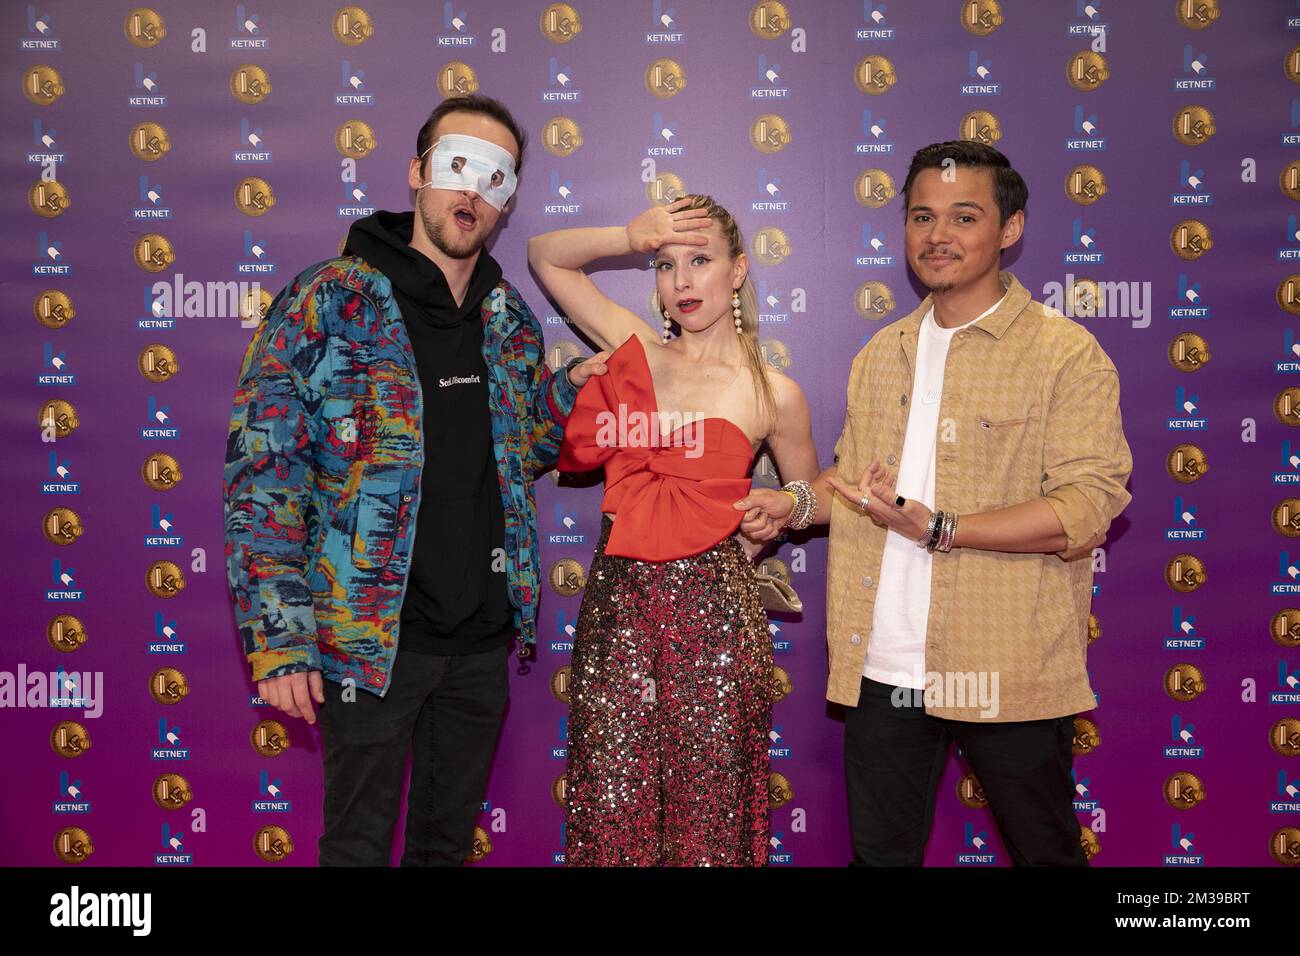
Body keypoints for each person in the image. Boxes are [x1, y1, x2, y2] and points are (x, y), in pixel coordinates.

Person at [223, 94, 606, 866]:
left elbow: (522, 447)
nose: (473, 193)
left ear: (506, 201)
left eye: (495, 178)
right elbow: (263, 474)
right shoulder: (329, 300)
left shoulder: (508, 318)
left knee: (444, 848)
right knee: (357, 849)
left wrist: (573, 390)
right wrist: (280, 641)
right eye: (459, 167)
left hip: (478, 644)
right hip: (368, 642)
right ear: (417, 174)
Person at [739, 141, 1133, 866]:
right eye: (922, 216)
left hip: (1004, 662)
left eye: (963, 216)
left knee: (1047, 853)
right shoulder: (881, 351)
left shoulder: (1064, 355)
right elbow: (857, 485)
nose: (937, 236)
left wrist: (944, 529)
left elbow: (1087, 507)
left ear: (1009, 229)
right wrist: (791, 504)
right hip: (883, 663)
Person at [528, 195, 820, 865]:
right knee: (611, 813)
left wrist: (778, 511)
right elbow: (545, 255)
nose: (682, 282)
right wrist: (628, 234)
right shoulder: (633, 351)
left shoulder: (773, 392)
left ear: (738, 270)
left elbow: (817, 495)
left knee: (711, 825)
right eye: (665, 264)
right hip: (618, 622)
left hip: (717, 628)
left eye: (700, 261)